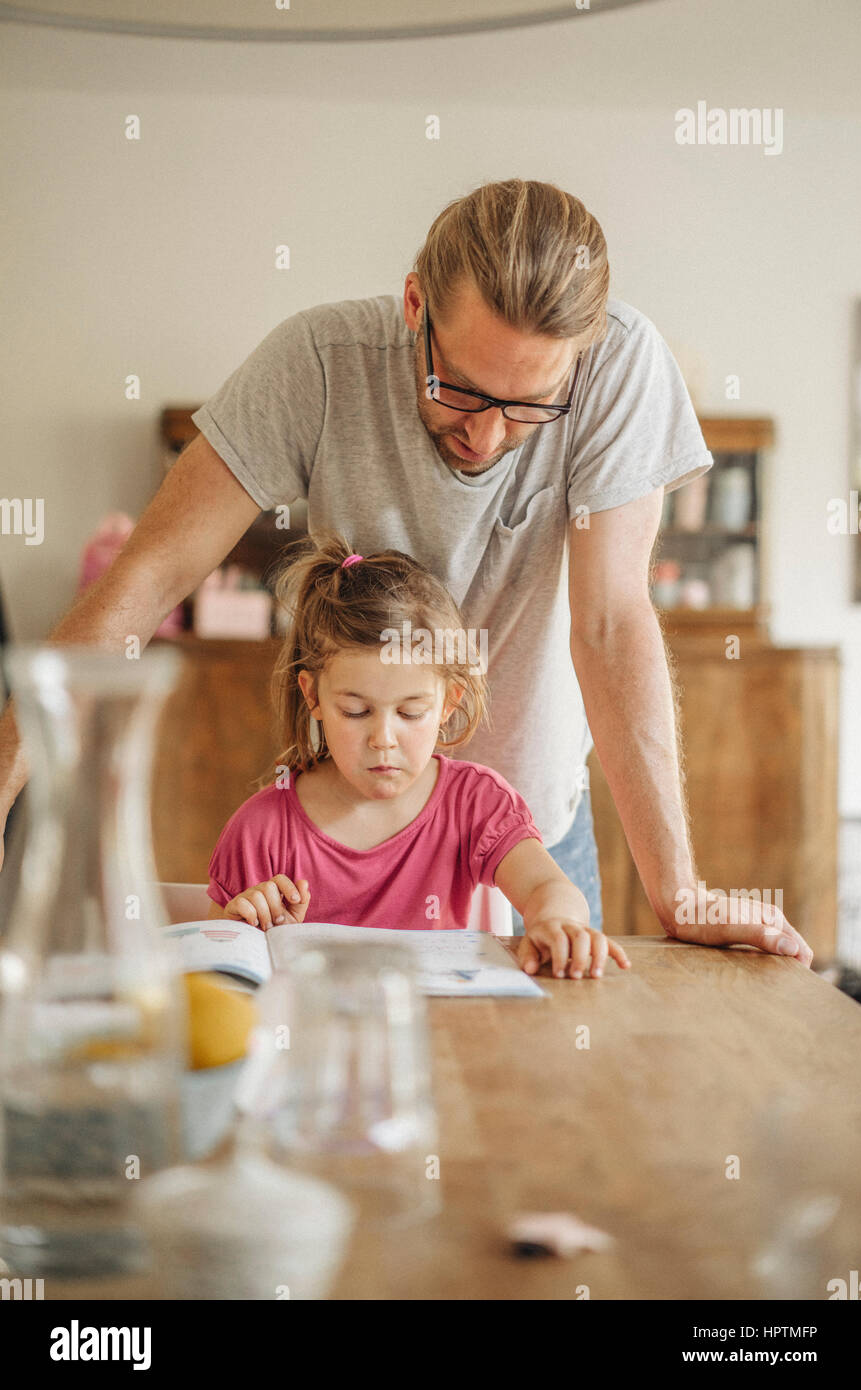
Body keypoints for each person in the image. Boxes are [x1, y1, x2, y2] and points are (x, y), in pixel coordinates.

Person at [0, 178, 811, 965]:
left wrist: (680, 894)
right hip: (339, 833)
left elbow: (608, 623)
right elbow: (144, 581)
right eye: (459, 389)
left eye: (530, 406)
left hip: (527, 840)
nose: (487, 437)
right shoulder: (316, 363)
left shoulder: (624, 366)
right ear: (415, 306)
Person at [205, 535, 631, 982]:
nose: (383, 739)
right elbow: (219, 975)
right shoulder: (260, 831)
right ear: (312, 695)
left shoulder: (476, 804)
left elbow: (548, 887)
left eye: (411, 712)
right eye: (356, 711)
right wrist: (247, 935)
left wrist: (556, 920)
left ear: (449, 703)